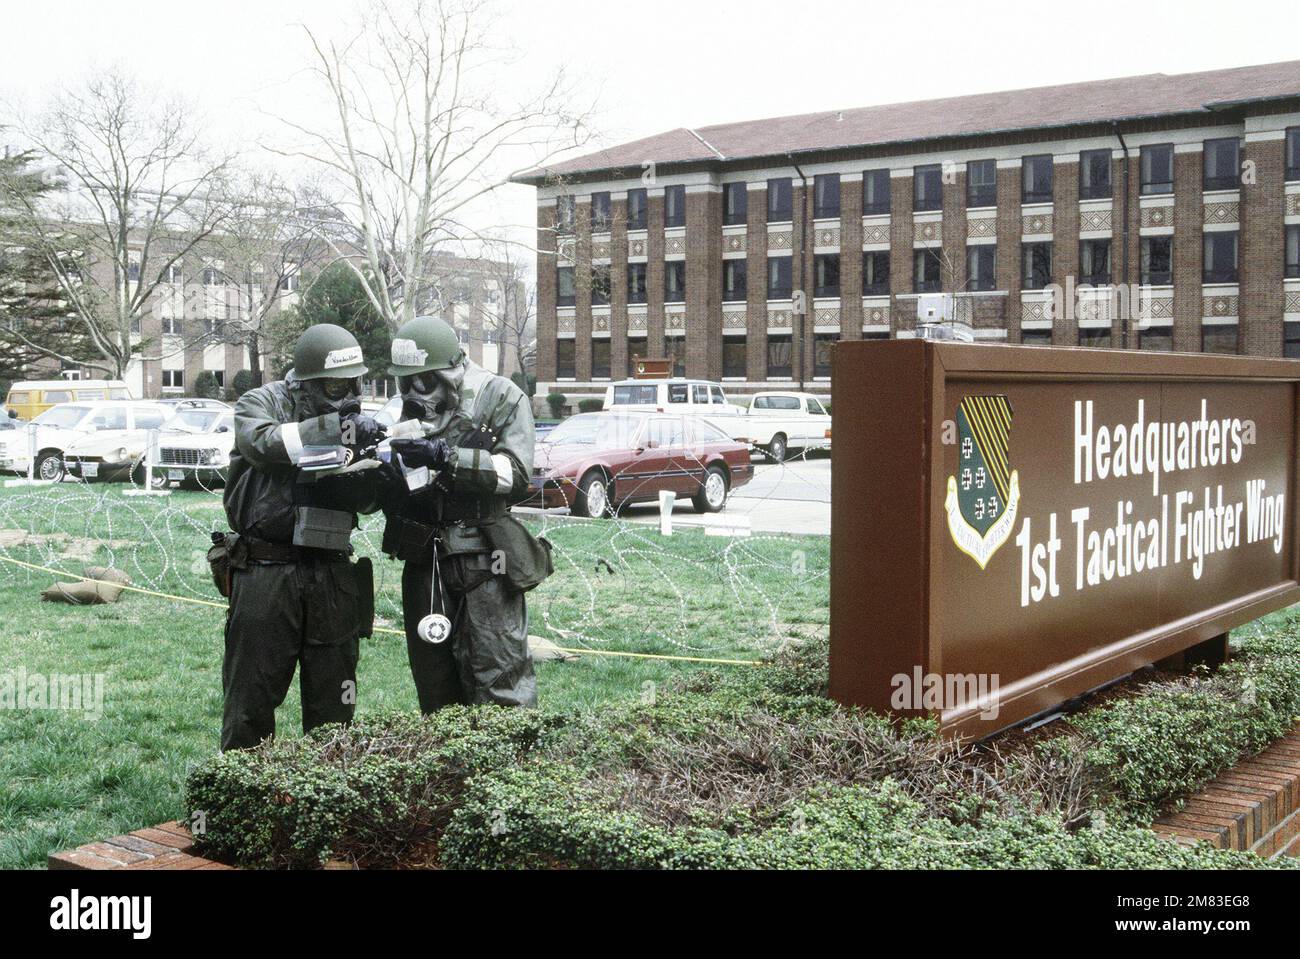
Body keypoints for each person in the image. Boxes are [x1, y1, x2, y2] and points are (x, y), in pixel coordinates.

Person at [216, 323, 387, 750]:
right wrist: (334, 431)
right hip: (266, 570)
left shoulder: (354, 420)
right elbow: (263, 443)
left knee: (335, 708)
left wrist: (380, 469)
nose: (346, 397)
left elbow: (366, 504)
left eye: (353, 385)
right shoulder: (263, 401)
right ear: (307, 382)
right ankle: (242, 801)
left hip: (330, 573)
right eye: (334, 386)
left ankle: (324, 803)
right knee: (251, 702)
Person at [381, 314, 550, 711]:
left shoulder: (500, 397)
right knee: (434, 687)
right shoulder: (404, 411)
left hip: (483, 560)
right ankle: (445, 770)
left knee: (499, 680)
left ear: (450, 372)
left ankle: (507, 769)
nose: (414, 391)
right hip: (426, 559)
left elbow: (517, 474)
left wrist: (447, 456)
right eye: (406, 381)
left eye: (424, 380)